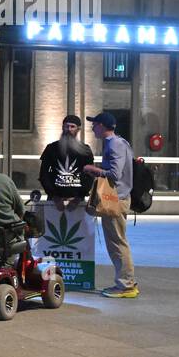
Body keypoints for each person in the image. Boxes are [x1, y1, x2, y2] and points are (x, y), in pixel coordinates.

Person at [83, 112, 139, 298]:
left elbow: (115, 174)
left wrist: (94, 170)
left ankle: (126, 285)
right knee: (118, 241)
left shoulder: (114, 144)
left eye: (94, 125)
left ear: (102, 126)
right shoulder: (119, 142)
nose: (92, 128)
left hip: (117, 199)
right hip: (119, 198)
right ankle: (127, 282)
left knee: (117, 243)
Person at [38, 115, 94, 209]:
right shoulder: (51, 148)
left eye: (72, 126)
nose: (69, 129)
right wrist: (54, 197)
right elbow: (44, 174)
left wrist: (78, 198)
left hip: (77, 200)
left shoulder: (85, 150)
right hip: (54, 199)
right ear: (62, 127)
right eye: (66, 126)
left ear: (78, 129)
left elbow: (90, 176)